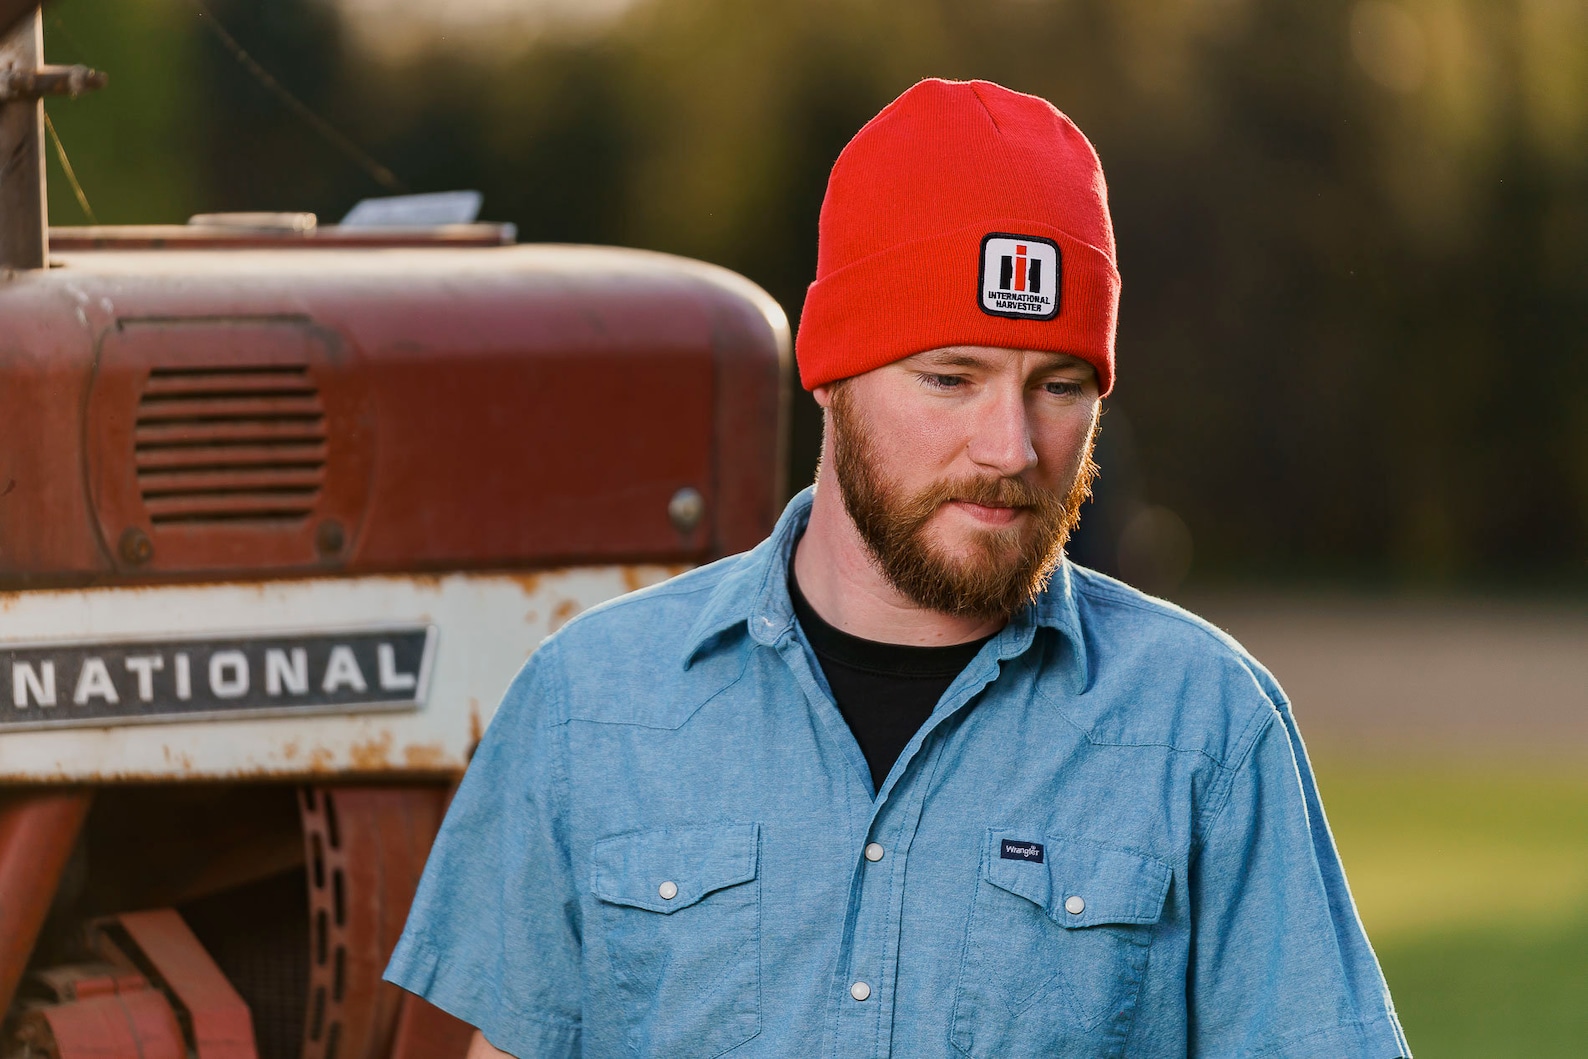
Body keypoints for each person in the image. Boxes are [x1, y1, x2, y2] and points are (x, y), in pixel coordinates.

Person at [385, 78, 1410, 1058]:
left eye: (1057, 386)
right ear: (830, 371)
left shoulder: (1206, 730)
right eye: (950, 377)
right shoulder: (589, 706)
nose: (1009, 448)